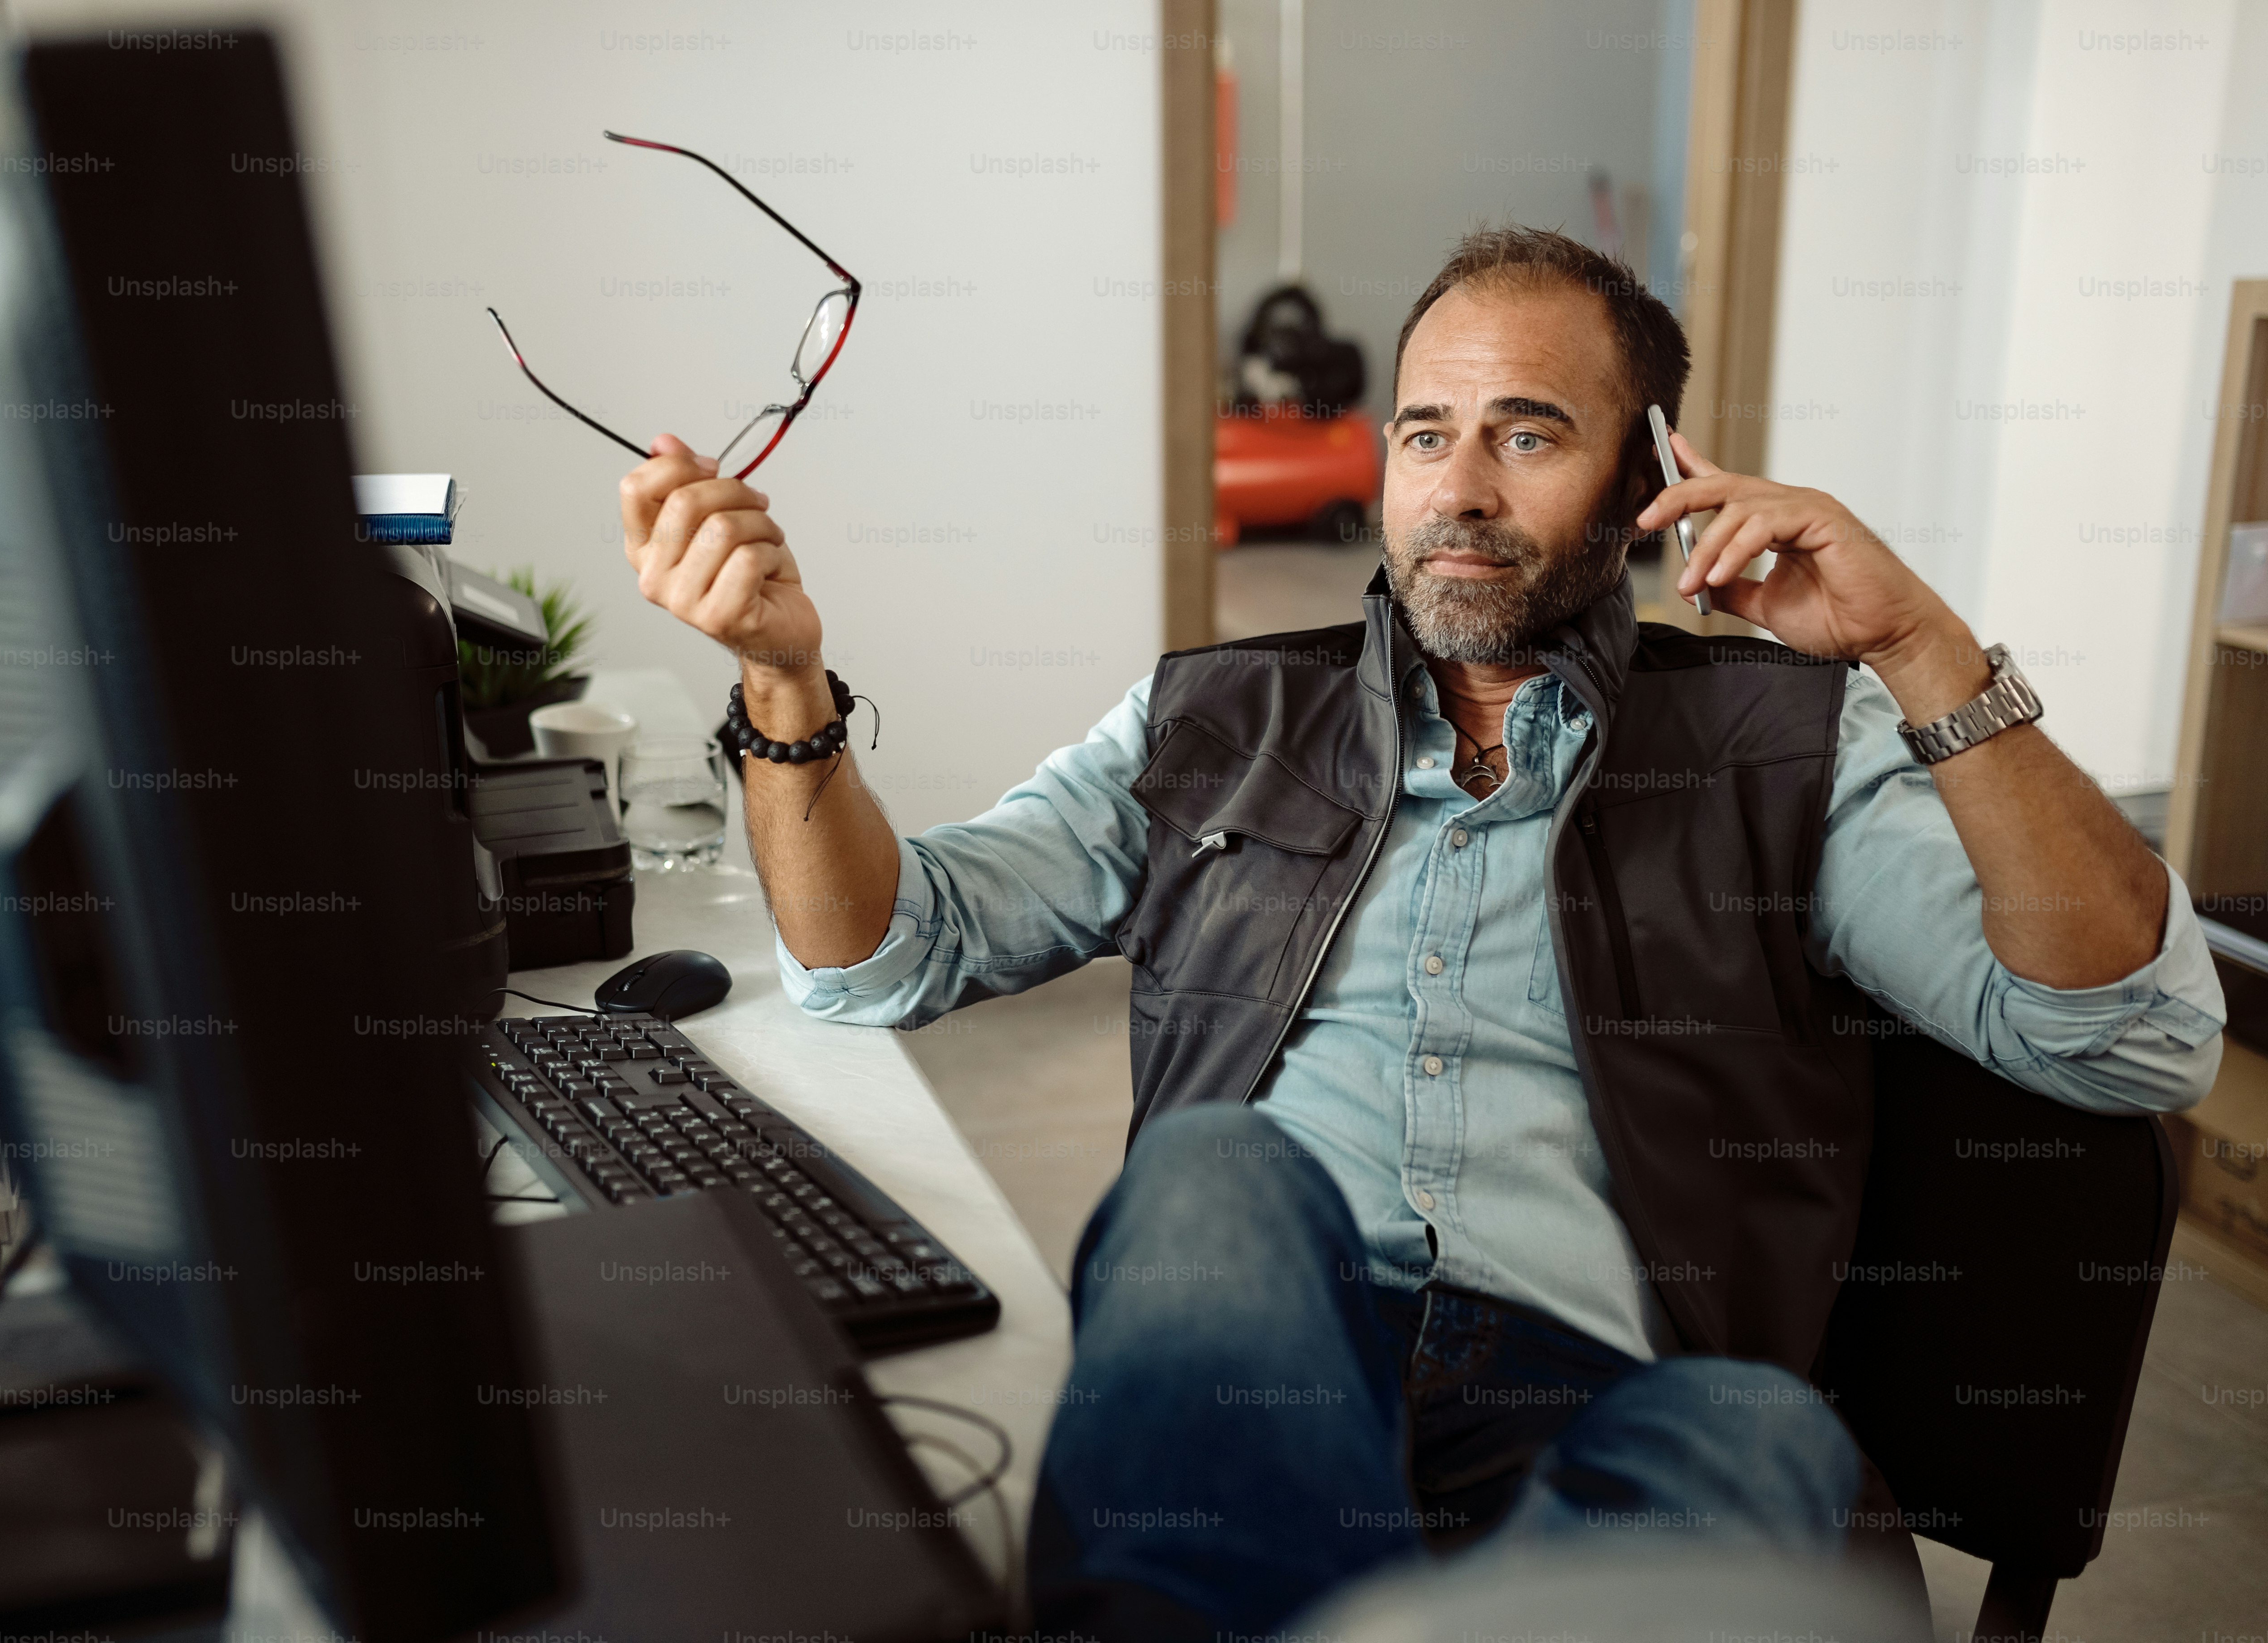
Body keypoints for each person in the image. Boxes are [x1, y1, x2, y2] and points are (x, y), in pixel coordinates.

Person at [612, 227, 2224, 1638]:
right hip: (1261, 1351)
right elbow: (878, 956)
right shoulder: (1213, 717)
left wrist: (1919, 646)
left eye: (1529, 434)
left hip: (1614, 1393)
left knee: (1763, 1432)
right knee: (1221, 1173)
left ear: (1650, 483)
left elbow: (2131, 1034)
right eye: (1425, 432)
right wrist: (781, 682)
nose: (1456, 488)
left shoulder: (1794, 744)